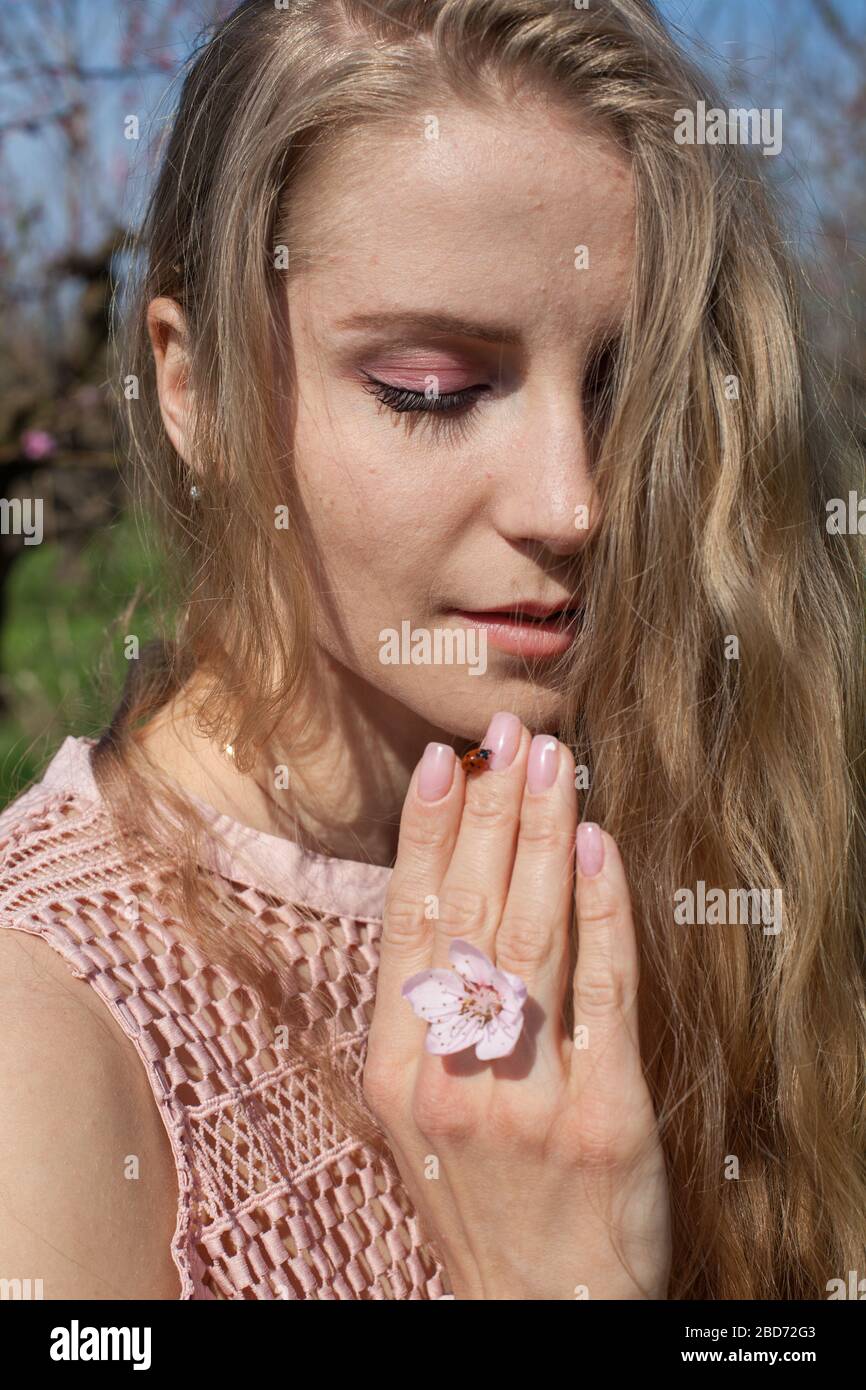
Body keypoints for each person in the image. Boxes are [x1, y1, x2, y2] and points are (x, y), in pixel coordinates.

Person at [0, 0, 863, 1301]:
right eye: (431, 390)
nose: (571, 502)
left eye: (626, 389)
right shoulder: (53, 1028)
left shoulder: (699, 836)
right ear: (197, 391)